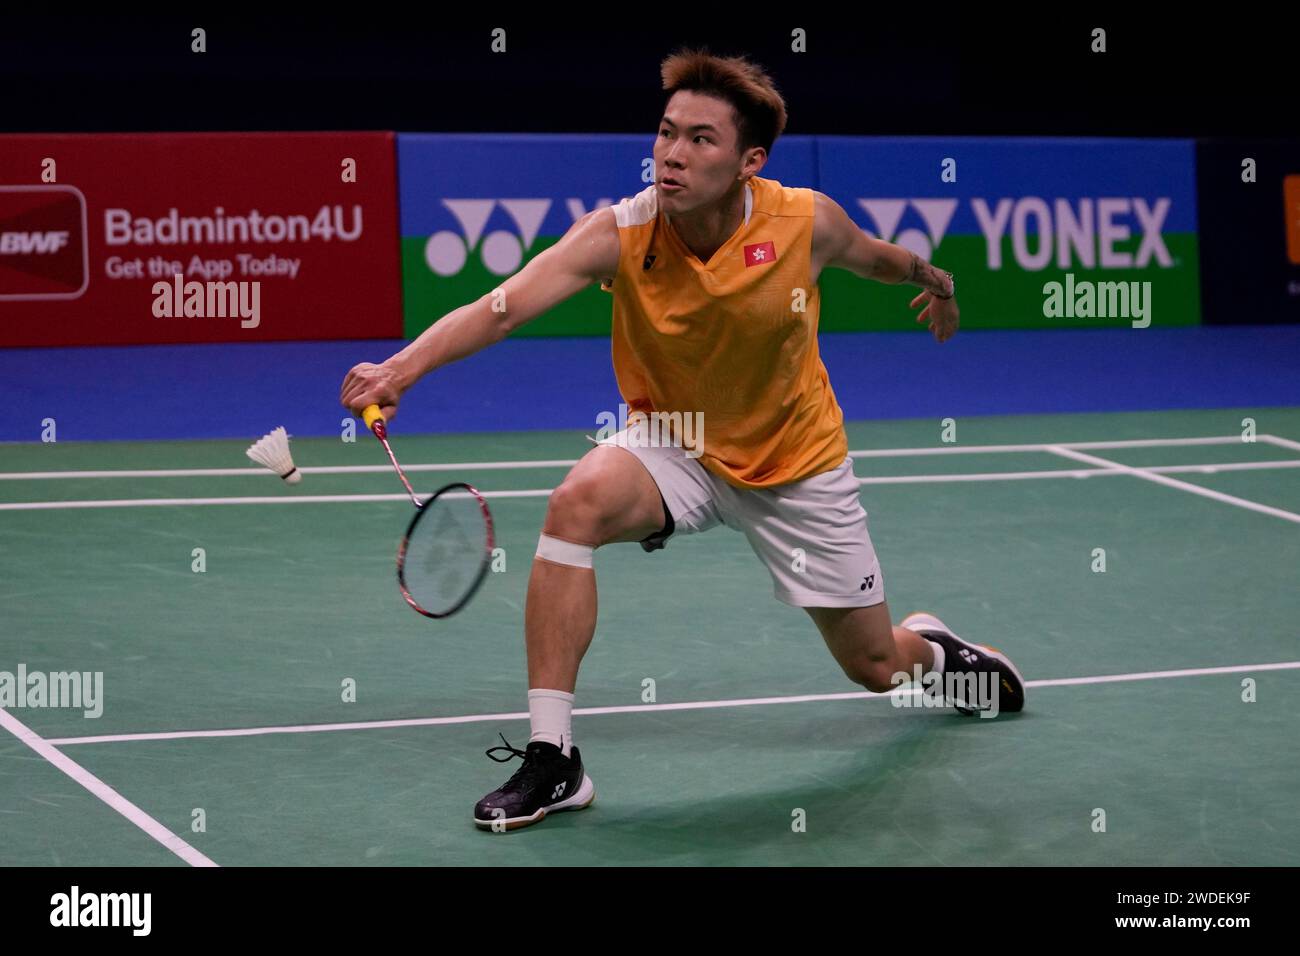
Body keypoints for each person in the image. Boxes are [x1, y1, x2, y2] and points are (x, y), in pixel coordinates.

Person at [340, 48, 1025, 832]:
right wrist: (400, 369)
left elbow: (881, 258)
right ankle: (554, 757)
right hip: (679, 443)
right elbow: (504, 307)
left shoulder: (804, 221)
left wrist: (934, 284)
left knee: (874, 667)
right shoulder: (622, 232)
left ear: (748, 161)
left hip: (794, 466)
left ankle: (938, 656)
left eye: (701, 139)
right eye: (667, 133)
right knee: (575, 505)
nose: (672, 153)